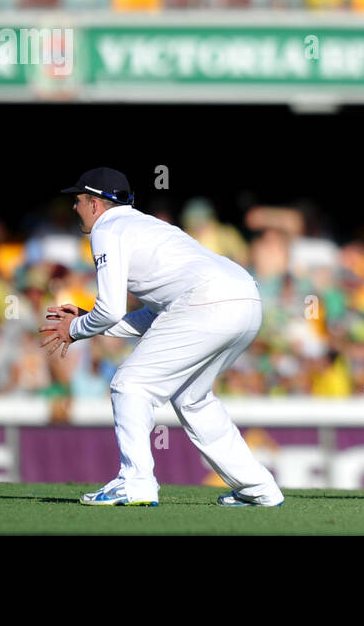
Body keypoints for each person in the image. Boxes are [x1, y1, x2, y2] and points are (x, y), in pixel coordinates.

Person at [38, 168, 283, 507]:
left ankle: (135, 482)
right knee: (191, 399)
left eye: (78, 201)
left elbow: (109, 310)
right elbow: (157, 316)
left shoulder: (106, 230)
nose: (74, 208)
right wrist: (89, 325)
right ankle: (259, 489)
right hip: (246, 298)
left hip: (207, 301)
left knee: (130, 384)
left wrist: (76, 329)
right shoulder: (150, 226)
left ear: (95, 203)